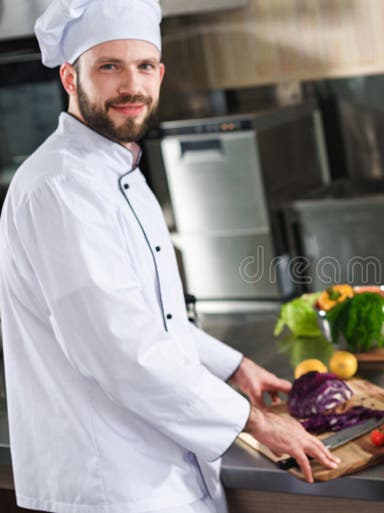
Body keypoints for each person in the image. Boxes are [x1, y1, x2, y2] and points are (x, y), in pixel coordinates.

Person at [0, 1, 338, 512]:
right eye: (108, 66)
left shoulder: (116, 169)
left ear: (160, 74)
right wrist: (253, 419)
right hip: (112, 484)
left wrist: (234, 366)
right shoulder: (60, 188)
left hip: (153, 474)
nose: (131, 86)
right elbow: (119, 347)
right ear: (70, 78)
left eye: (144, 67)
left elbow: (150, 315)